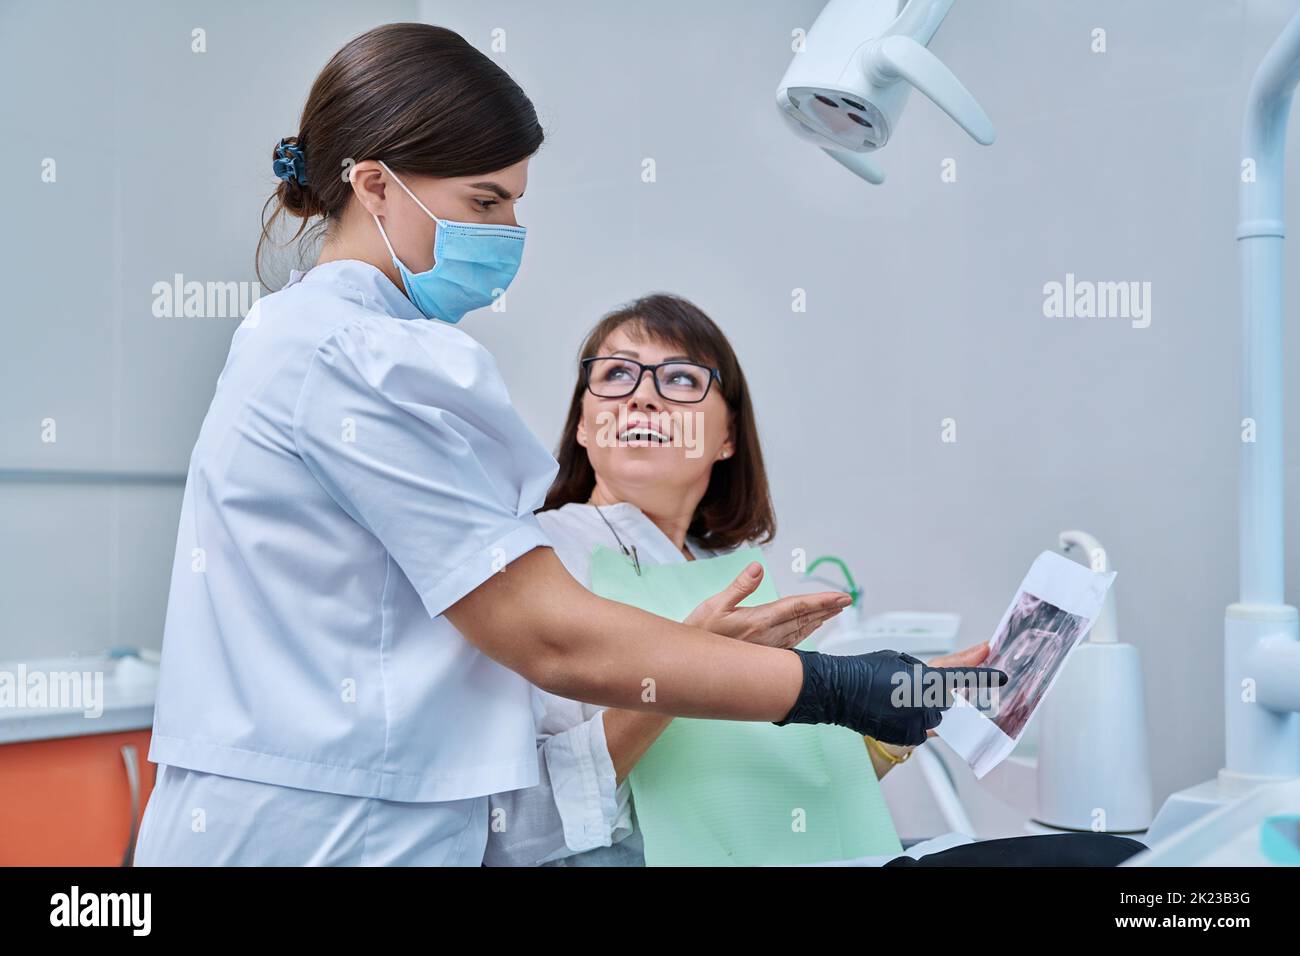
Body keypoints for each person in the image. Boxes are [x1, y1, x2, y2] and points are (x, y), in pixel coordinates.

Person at [132, 23, 996, 867]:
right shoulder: (353, 353)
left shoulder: (342, 343)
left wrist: (860, 724)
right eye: (484, 201)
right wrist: (835, 692)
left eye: (513, 202)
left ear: (732, 434)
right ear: (374, 185)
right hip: (318, 828)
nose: (509, 231)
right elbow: (555, 643)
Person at [484, 294, 1145, 868]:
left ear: (728, 438)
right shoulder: (538, 561)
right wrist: (686, 667)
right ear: (582, 421)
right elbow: (513, 830)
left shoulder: (714, 570)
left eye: (681, 379)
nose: (643, 393)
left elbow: (752, 788)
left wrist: (887, 732)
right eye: (616, 375)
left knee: (1122, 858)